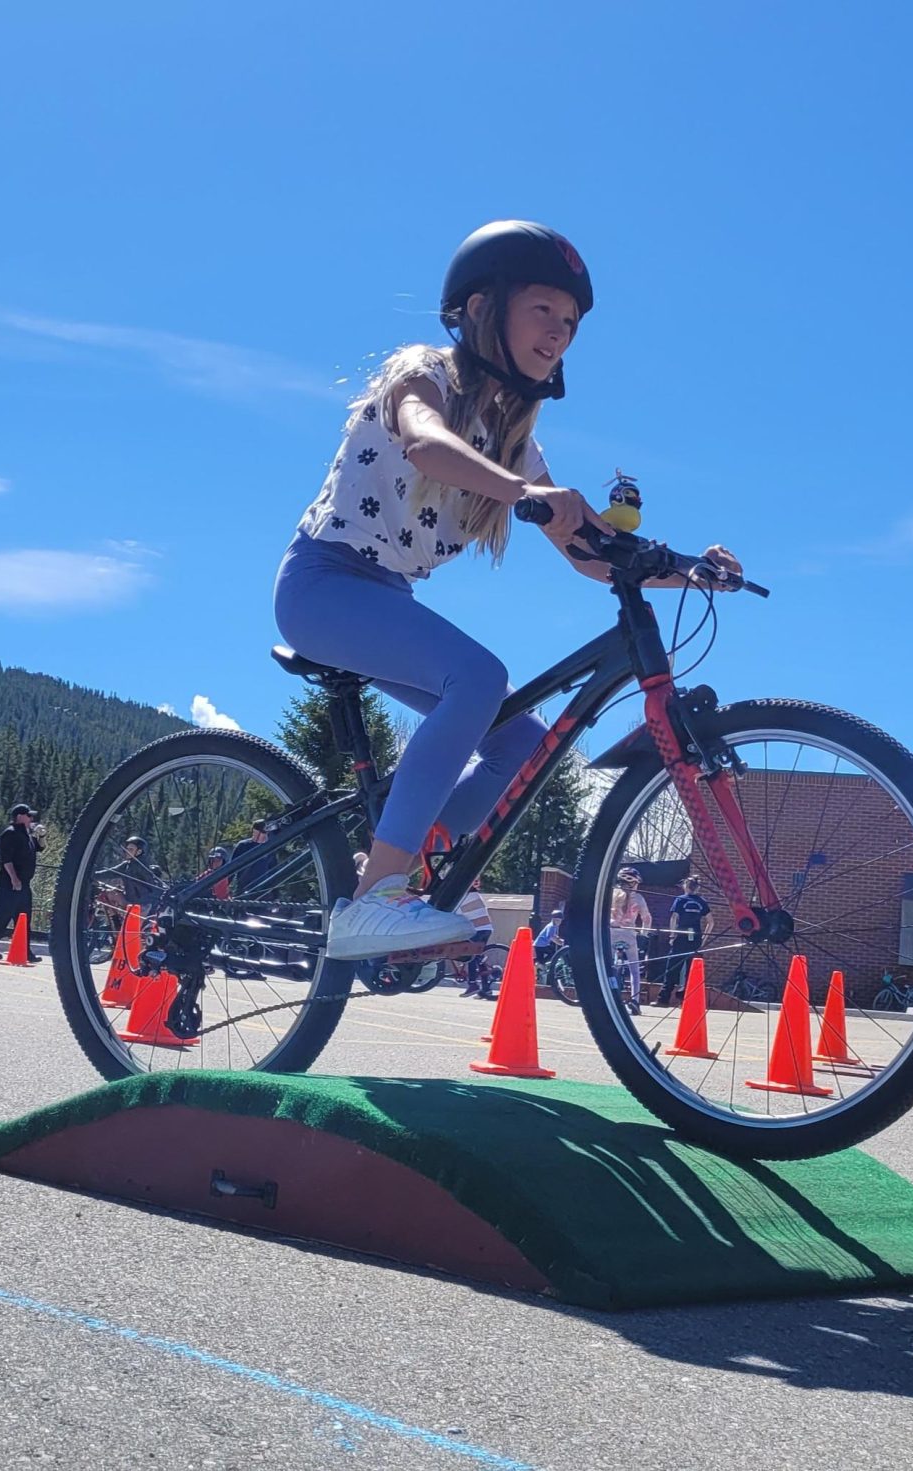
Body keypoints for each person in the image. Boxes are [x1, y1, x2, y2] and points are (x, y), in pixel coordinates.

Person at [272, 221, 739, 962]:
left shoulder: (515, 439)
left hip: (387, 596)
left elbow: (590, 556)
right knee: (480, 677)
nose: (560, 332)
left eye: (572, 322)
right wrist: (525, 489)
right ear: (485, 305)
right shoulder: (421, 374)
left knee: (522, 741)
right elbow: (424, 440)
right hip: (323, 584)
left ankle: (410, 871)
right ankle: (377, 896)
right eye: (544, 310)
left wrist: (688, 566)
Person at [0, 803, 45, 959]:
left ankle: (25, 951)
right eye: (29, 816)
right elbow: (6, 860)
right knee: (2, 915)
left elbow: (40, 848)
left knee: (24, 918)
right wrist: (14, 879)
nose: (31, 819)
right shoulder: (10, 833)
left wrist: (41, 836)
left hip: (25, 883)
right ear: (20, 817)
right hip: (11, 883)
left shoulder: (27, 834)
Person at [607, 866, 652, 1014]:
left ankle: (609, 996)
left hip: (612, 932)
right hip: (629, 934)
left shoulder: (611, 894)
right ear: (633, 883)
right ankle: (635, 1001)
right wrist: (644, 935)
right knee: (634, 969)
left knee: (609, 965)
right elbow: (647, 918)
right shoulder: (638, 898)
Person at [661, 875, 710, 1006]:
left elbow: (674, 918)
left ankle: (664, 998)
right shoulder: (702, 902)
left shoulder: (680, 900)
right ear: (697, 888)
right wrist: (704, 939)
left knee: (672, 967)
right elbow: (711, 922)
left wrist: (672, 935)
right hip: (695, 938)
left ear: (686, 886)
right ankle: (687, 1001)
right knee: (691, 970)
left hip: (681, 935)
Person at [454, 878, 496, 998]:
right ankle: (486, 989)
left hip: (477, 930)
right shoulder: (476, 895)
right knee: (478, 957)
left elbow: (453, 914)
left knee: (471, 955)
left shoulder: (463, 897)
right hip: (486, 928)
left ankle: (473, 984)